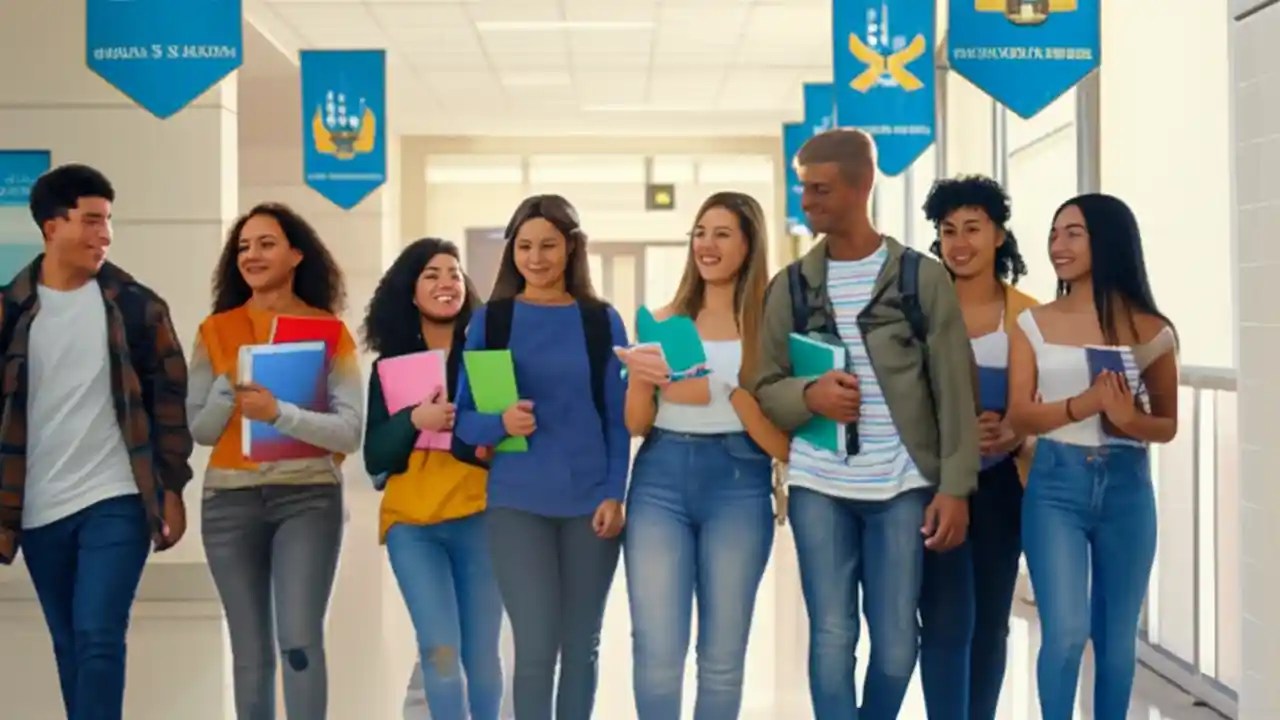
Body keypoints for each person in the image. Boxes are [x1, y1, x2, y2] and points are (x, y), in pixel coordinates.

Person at [750, 128, 979, 720]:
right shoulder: (792, 287)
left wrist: (955, 487)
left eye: (821, 189)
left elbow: (956, 391)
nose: (808, 202)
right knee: (831, 636)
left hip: (902, 485)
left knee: (898, 645)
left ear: (863, 185)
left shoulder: (920, 280)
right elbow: (764, 387)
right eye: (804, 189)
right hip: (819, 485)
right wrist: (811, 394)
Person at [0, 163, 193, 720]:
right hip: (37, 506)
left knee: (99, 634)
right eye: (90, 221)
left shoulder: (137, 307)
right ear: (50, 226)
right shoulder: (12, 312)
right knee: (69, 643)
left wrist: (171, 487)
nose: (103, 235)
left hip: (116, 497)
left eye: (108, 222)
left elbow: (169, 401)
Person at [453, 194, 628, 720]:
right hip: (517, 502)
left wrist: (614, 494)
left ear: (571, 248)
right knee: (534, 649)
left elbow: (618, 419)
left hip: (589, 502)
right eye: (525, 246)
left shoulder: (602, 321)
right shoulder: (493, 321)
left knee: (582, 646)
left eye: (548, 245)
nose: (536, 258)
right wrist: (500, 424)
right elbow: (465, 419)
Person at [187, 202, 363, 720]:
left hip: (308, 498)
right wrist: (226, 391)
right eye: (243, 246)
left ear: (295, 255)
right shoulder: (215, 330)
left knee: (300, 640)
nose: (252, 254)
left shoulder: (330, 332)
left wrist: (277, 412)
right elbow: (199, 429)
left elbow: (350, 431)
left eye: (266, 243)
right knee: (250, 652)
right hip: (227, 503)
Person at [616, 192, 788, 720]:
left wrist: (739, 402)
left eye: (722, 234)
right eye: (699, 232)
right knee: (657, 652)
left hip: (741, 482)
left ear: (749, 243)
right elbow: (636, 425)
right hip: (659, 479)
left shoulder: (773, 329)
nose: (706, 245)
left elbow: (788, 443)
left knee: (722, 658)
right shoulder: (661, 320)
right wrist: (643, 382)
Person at [1007, 194, 1177, 720]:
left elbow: (1166, 426)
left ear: (1107, 239)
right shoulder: (1033, 324)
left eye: (1073, 233)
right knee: (1064, 631)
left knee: (1117, 636)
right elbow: (1020, 415)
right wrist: (1085, 404)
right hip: (1055, 486)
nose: (1058, 245)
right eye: (1055, 233)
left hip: (1126, 487)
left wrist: (1126, 419)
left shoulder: (1151, 329)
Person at [362, 237, 504, 720]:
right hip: (412, 525)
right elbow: (374, 455)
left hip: (480, 516)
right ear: (411, 292)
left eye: (454, 273)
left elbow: (508, 445)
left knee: (483, 660)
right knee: (440, 655)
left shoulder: (486, 360)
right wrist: (412, 421)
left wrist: (479, 431)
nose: (447, 283)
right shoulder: (388, 367)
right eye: (432, 275)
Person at [918, 176, 1038, 720]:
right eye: (948, 231)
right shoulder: (917, 310)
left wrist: (1016, 430)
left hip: (1001, 484)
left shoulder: (1030, 316)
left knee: (991, 618)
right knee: (944, 616)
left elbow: (1049, 400)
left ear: (999, 236)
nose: (959, 241)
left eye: (973, 228)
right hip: (935, 482)